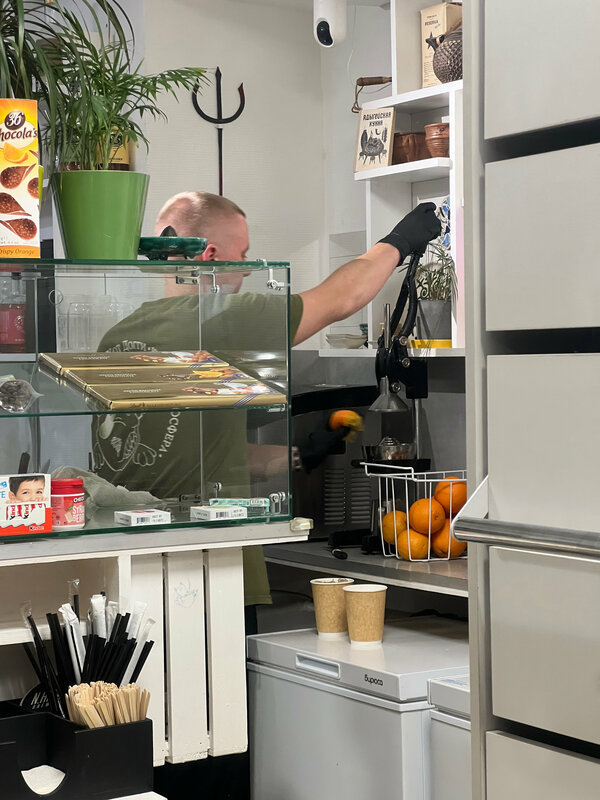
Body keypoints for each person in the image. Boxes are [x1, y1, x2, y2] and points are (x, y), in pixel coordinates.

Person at [94, 192, 440, 617]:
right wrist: (400, 241)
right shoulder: (223, 319)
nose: (246, 270)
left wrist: (303, 453)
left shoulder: (118, 335)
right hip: (208, 564)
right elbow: (341, 298)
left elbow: (196, 457)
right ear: (210, 256)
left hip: (128, 568)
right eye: (242, 255)